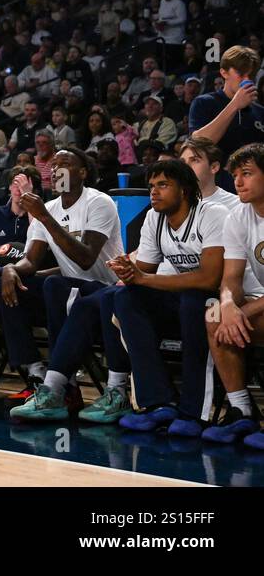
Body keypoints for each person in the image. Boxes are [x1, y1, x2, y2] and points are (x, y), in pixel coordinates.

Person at [0, 151, 123, 412]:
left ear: (83, 172)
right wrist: (11, 269)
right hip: (66, 292)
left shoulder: (99, 202)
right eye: (53, 166)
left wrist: (43, 216)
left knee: (55, 285)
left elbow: (86, 258)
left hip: (101, 290)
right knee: (8, 284)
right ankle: (36, 372)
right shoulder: (50, 208)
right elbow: (31, 260)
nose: (56, 170)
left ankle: (62, 387)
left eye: (64, 164)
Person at [110, 159, 227, 436]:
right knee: (125, 298)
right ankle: (159, 402)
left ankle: (195, 411)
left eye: (163, 185)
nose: (154, 192)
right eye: (151, 186)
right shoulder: (154, 217)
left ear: (184, 190)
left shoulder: (213, 213)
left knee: (195, 301)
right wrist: (127, 270)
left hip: (226, 300)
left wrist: (143, 278)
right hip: (185, 299)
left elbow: (210, 279)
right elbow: (145, 272)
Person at [204, 144, 264, 447]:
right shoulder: (238, 216)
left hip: (259, 305)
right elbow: (231, 277)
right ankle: (241, 409)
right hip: (259, 301)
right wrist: (228, 304)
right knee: (213, 313)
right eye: (236, 175)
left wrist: (243, 312)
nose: (238, 182)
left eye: (248, 174)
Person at [190, 45, 264, 191]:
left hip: (255, 190)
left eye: (251, 75)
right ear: (224, 72)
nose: (247, 80)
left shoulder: (260, 112)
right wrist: (235, 105)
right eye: (241, 74)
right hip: (217, 189)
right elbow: (198, 143)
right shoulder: (205, 102)